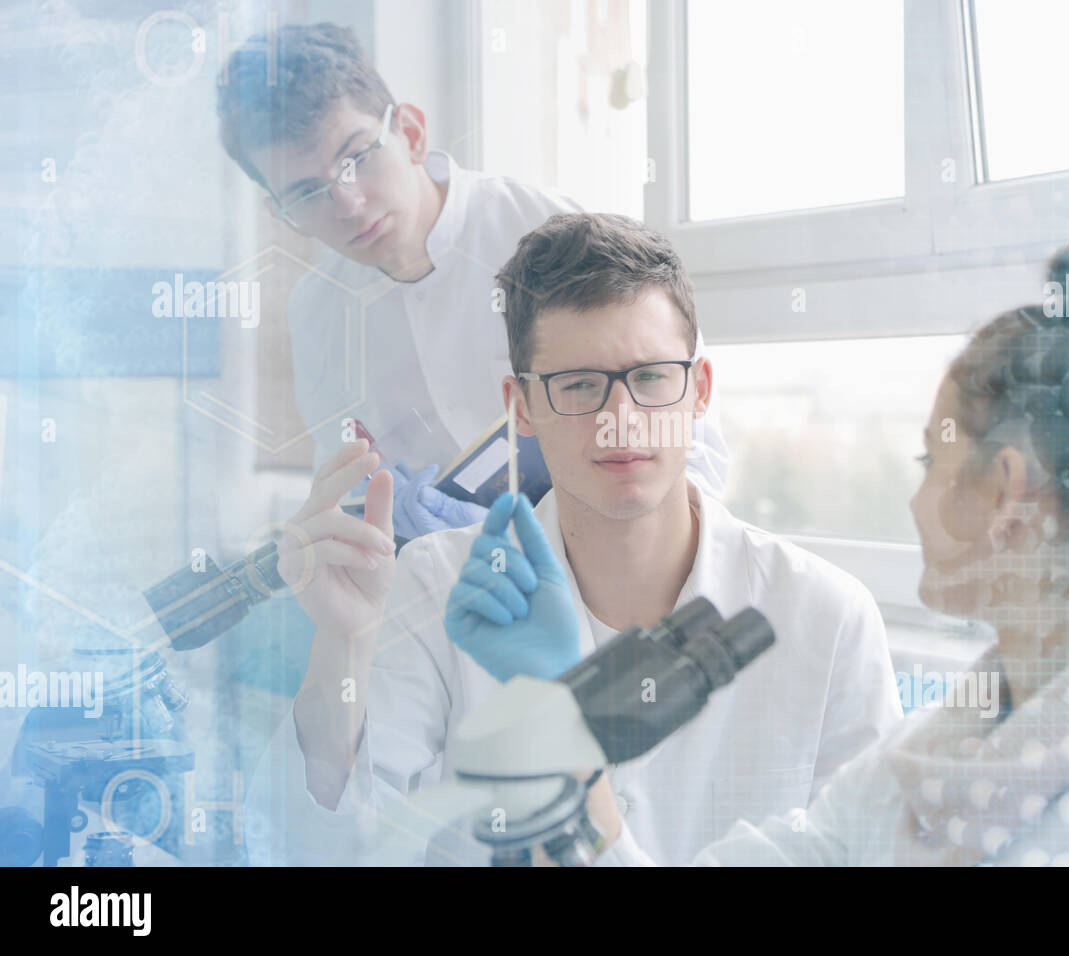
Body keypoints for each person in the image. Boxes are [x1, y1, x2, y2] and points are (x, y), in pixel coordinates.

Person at [574, 234, 1069, 866]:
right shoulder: (923, 765)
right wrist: (571, 782)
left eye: (931, 462)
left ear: (1007, 493)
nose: (916, 504)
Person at [245, 213, 901, 865]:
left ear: (698, 390)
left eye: (650, 378)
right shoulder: (440, 582)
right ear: (521, 406)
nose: (621, 421)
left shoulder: (828, 617)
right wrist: (341, 646)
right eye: (581, 385)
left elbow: (879, 852)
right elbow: (322, 848)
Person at [216, 23, 728, 540]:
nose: (347, 203)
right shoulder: (318, 312)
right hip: (440, 597)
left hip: (606, 582)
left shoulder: (550, 230)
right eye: (306, 192)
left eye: (356, 158)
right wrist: (378, 519)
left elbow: (693, 453)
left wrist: (541, 536)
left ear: (411, 133)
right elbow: (345, 486)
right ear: (280, 214)